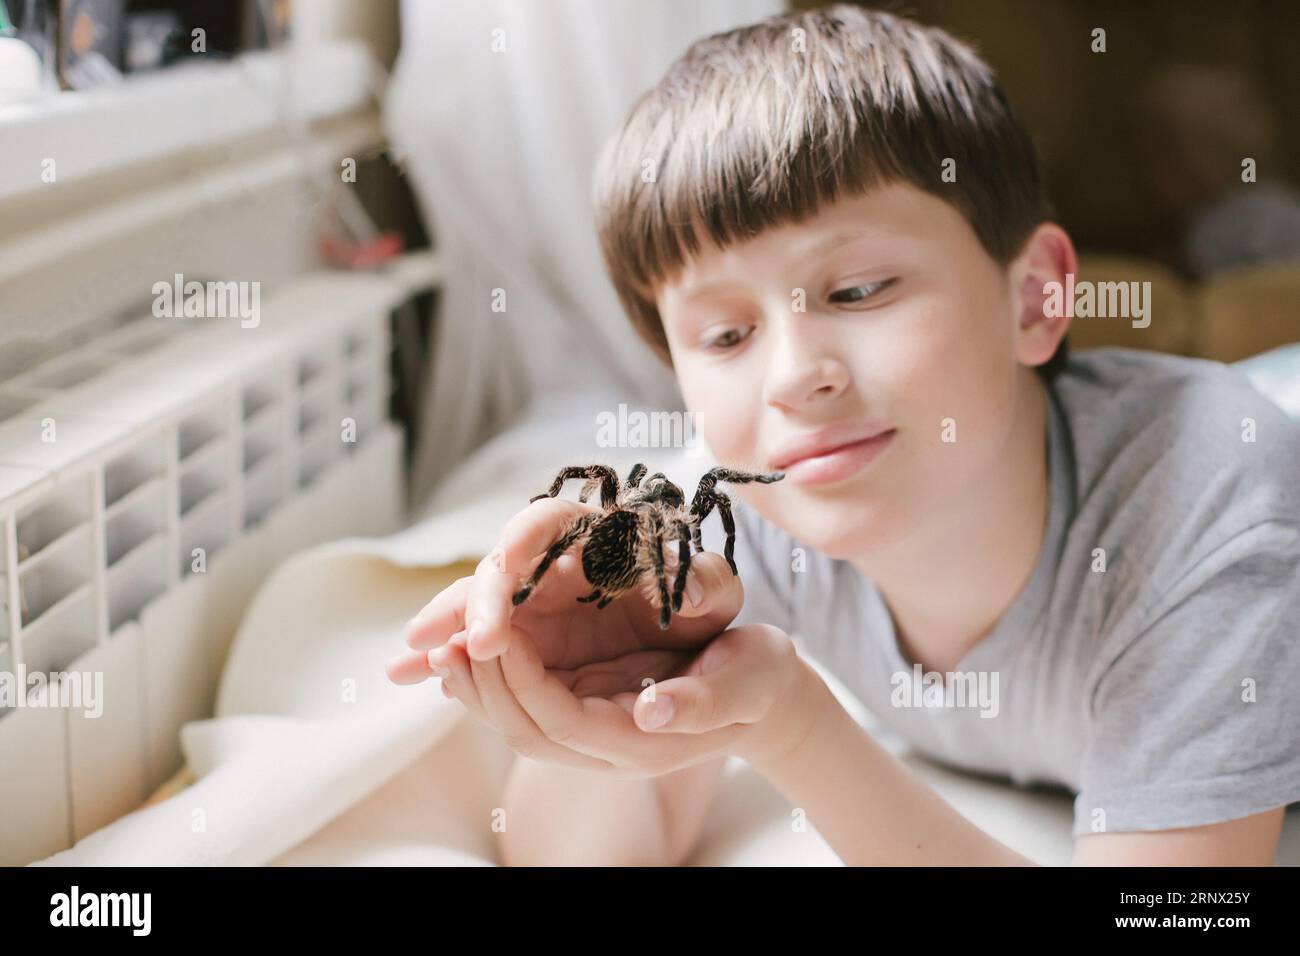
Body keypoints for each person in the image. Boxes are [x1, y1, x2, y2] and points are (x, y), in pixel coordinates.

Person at [388, 5, 1300, 866]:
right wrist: (595, 697)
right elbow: (586, 851)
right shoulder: (739, 502)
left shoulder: (1210, 512)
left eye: (858, 292)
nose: (792, 376)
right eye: (726, 336)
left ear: (1032, 298)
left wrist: (794, 729)